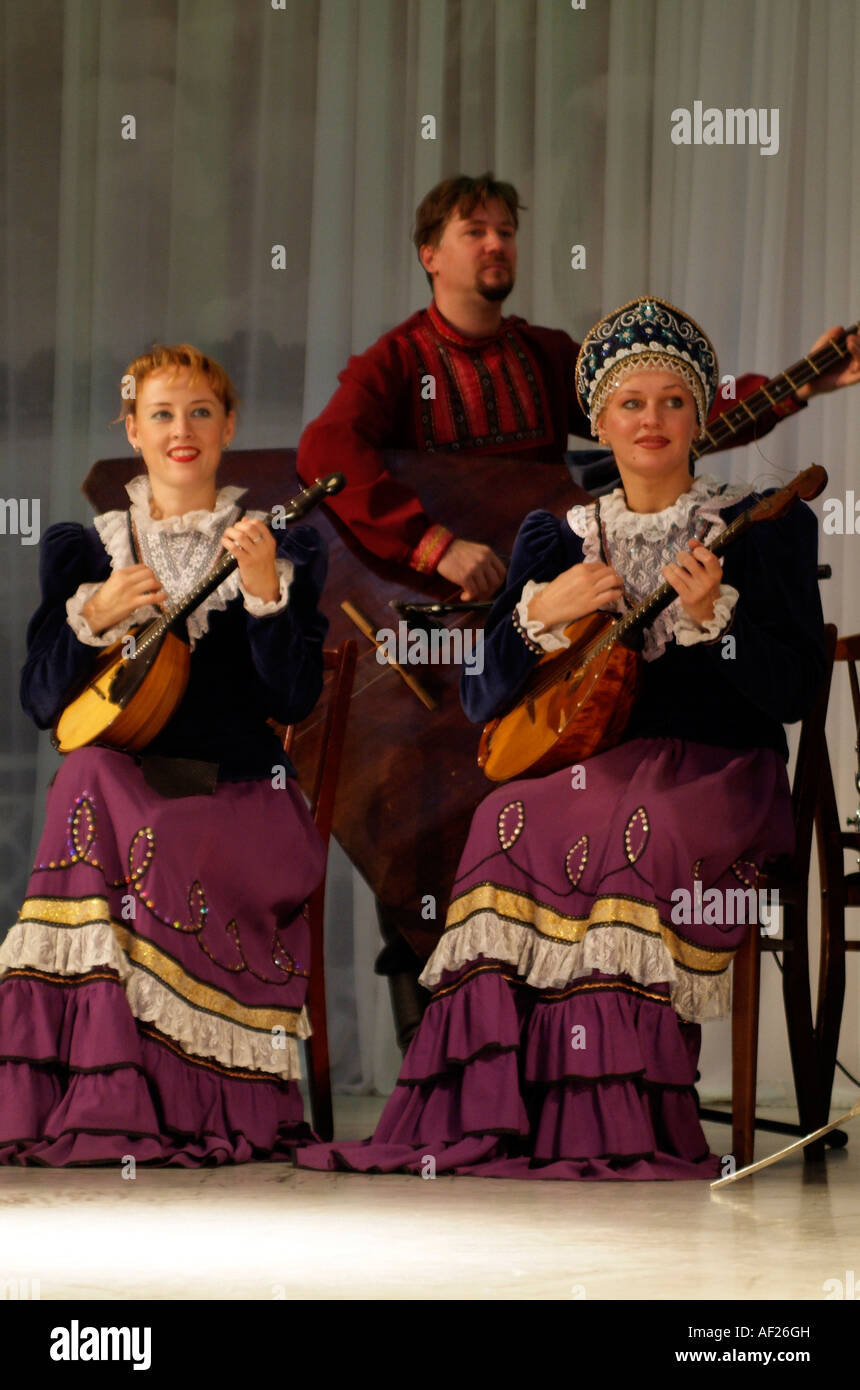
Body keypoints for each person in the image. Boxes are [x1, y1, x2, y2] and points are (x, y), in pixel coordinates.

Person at [296, 172, 859, 1048]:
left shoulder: (545, 356)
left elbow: (662, 405)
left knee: (561, 812)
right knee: (428, 825)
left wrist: (795, 385)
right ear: (429, 255)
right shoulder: (398, 365)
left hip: (603, 679)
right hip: (447, 629)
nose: (494, 245)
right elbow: (327, 452)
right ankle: (465, 1064)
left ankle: (610, 1072)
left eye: (505, 231)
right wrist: (437, 548)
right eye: (473, 231)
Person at [0, 345, 329, 1166]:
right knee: (86, 772)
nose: (181, 430)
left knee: (120, 811)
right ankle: (96, 1096)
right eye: (161, 414)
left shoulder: (283, 545)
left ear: (228, 427)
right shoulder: (89, 549)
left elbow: (292, 703)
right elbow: (44, 702)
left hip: (240, 799)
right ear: (133, 432)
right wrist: (94, 617)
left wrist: (262, 597)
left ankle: (157, 1102)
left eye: (199, 412)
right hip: (124, 792)